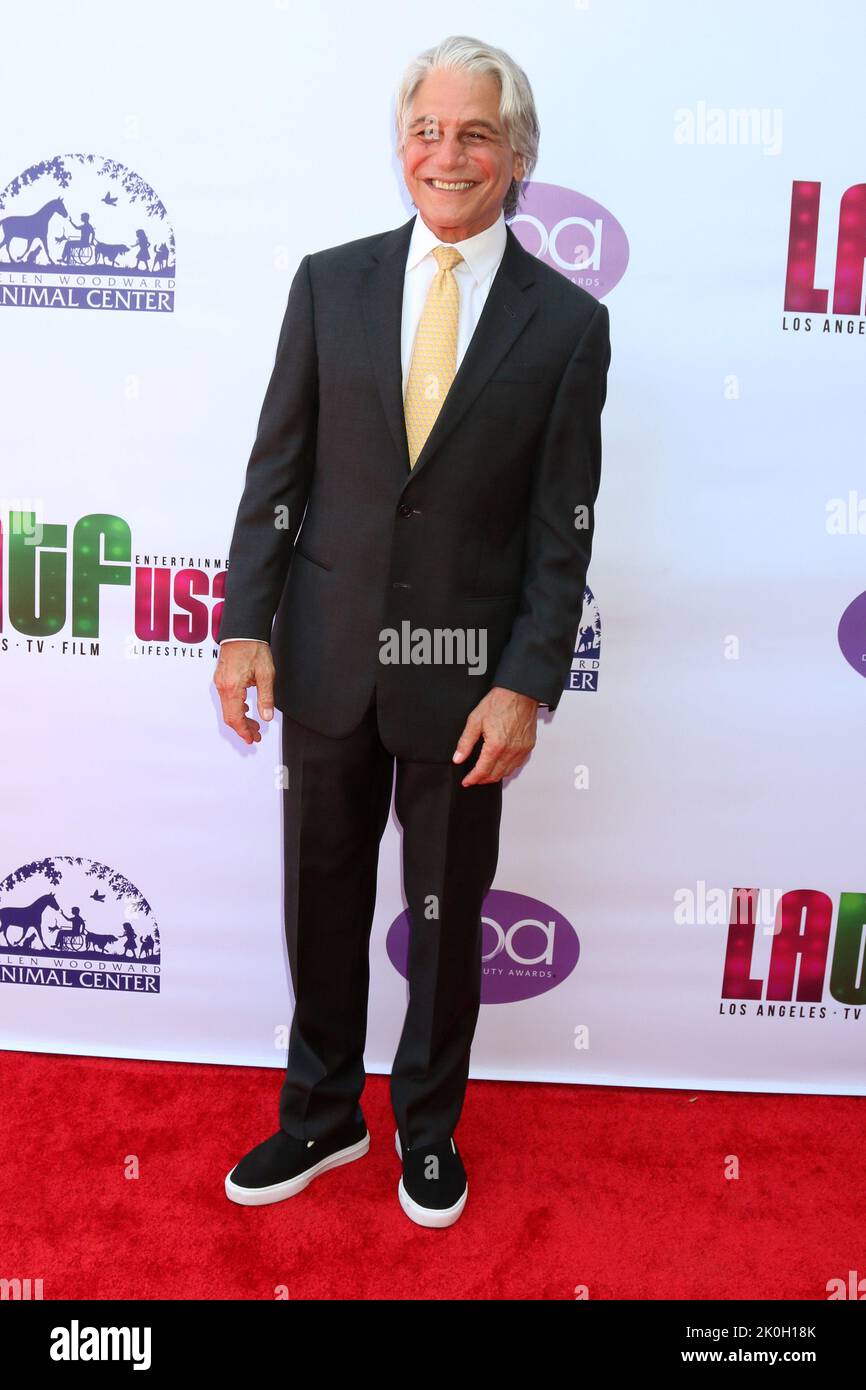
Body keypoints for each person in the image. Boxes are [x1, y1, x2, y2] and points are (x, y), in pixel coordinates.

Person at [213, 34, 611, 1228]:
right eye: (429, 131)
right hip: (326, 657)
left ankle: (426, 1129)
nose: (448, 154)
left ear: (517, 157)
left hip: (464, 684)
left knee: (444, 918)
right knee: (320, 898)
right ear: (402, 148)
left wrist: (527, 682)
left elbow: (561, 530)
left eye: (474, 134)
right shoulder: (327, 284)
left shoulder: (565, 325)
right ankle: (322, 1111)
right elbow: (275, 470)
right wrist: (243, 625)